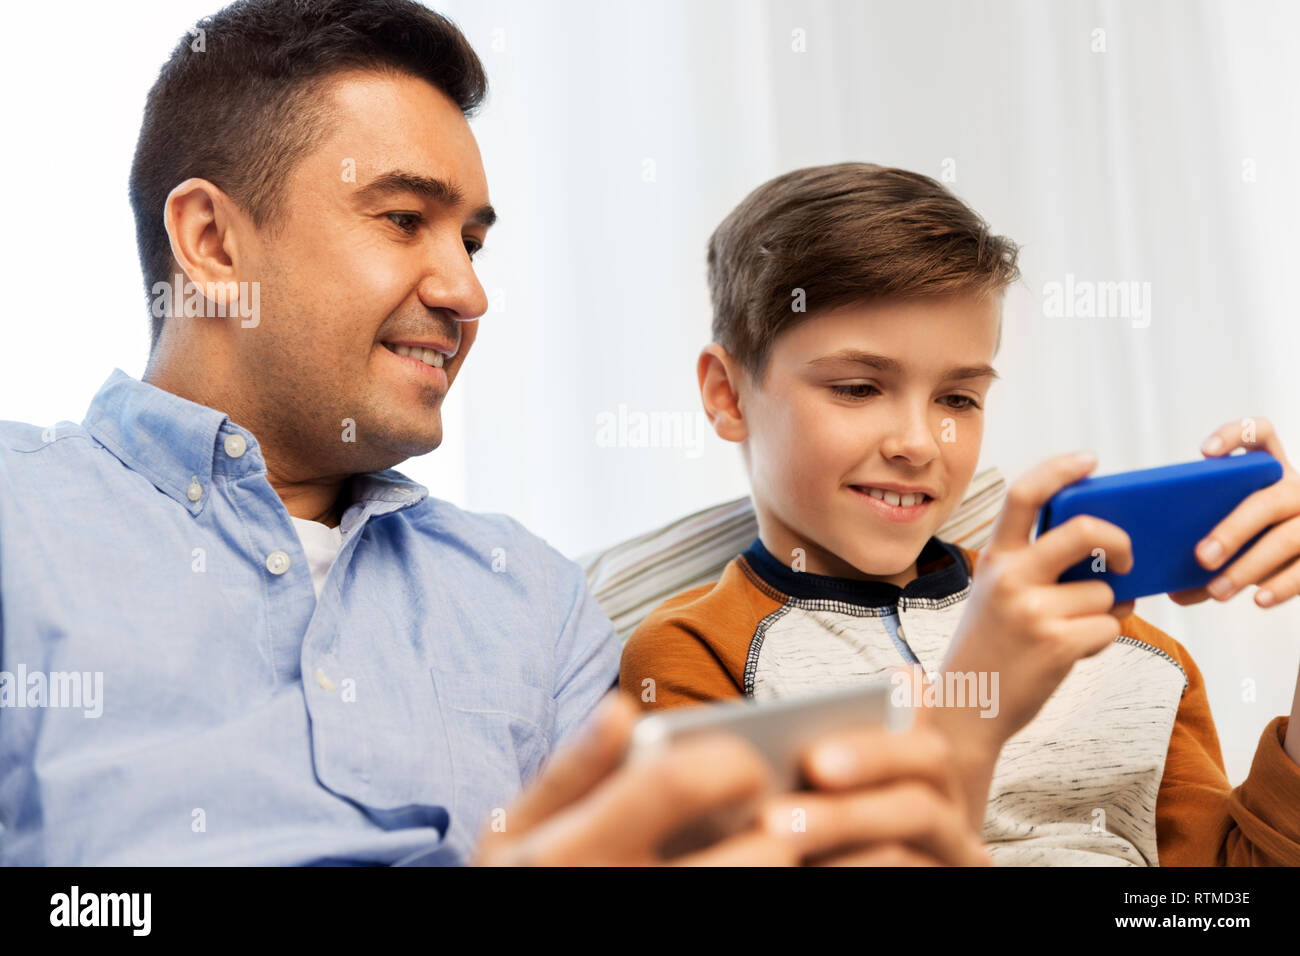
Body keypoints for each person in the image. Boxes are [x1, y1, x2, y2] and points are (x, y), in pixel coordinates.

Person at [0, 0, 985, 867]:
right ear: (213, 243)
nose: (467, 290)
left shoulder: (528, 595)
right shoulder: (21, 518)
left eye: (470, 239)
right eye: (401, 219)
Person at [620, 161, 1300, 865]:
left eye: (957, 399)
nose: (918, 444)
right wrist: (975, 711)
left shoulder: (1134, 652)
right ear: (728, 396)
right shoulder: (691, 658)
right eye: (857, 388)